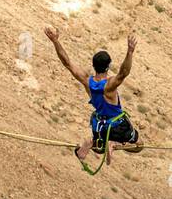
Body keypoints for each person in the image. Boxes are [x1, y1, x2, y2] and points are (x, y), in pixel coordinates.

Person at [44, 27, 142, 163]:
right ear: (108, 67)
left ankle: (95, 143)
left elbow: (67, 63)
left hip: (100, 126)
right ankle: (114, 143)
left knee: (98, 147)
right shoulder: (109, 85)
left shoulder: (86, 81)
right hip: (117, 125)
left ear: (94, 66)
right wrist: (130, 52)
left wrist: (55, 41)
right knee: (139, 146)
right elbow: (123, 72)